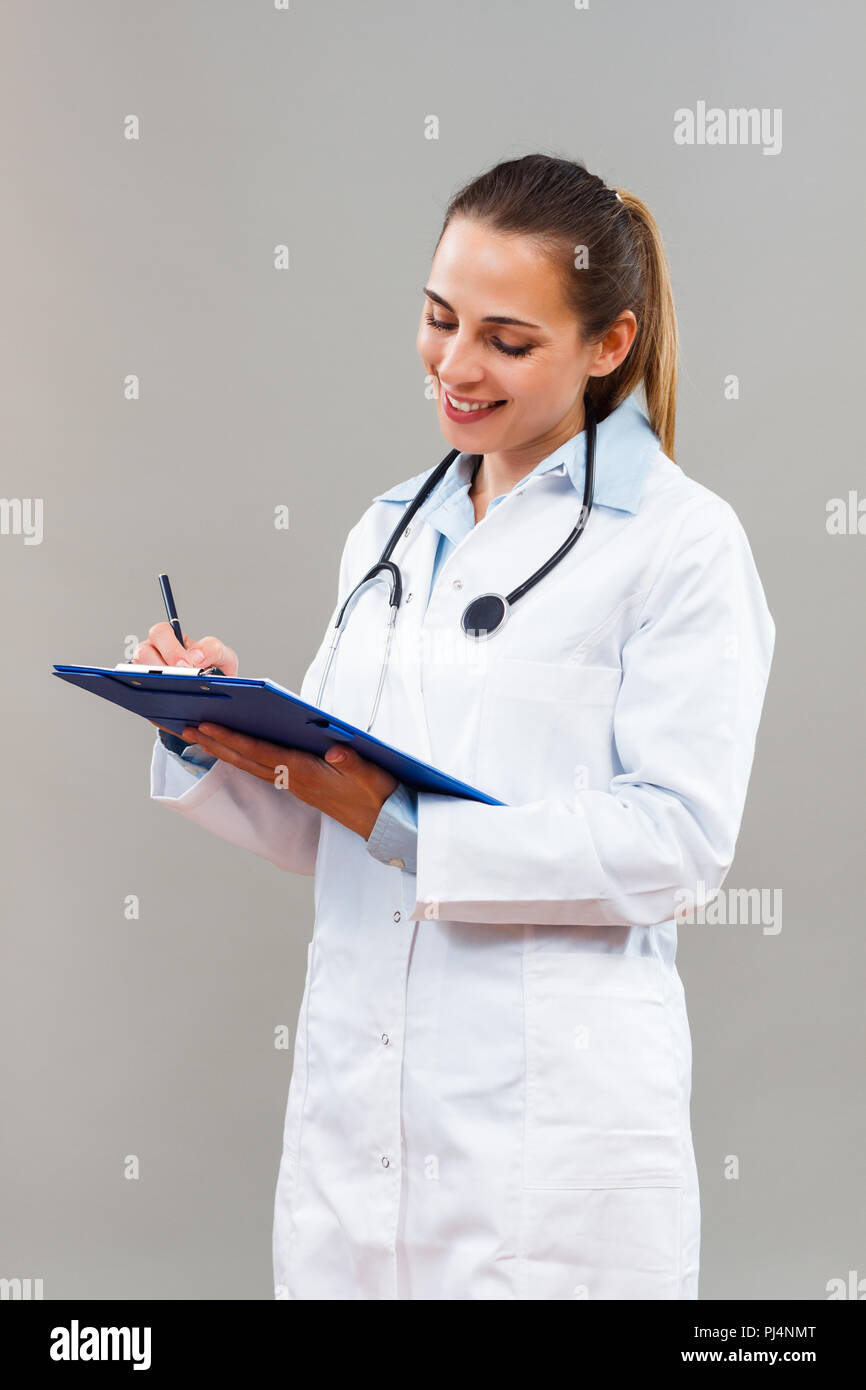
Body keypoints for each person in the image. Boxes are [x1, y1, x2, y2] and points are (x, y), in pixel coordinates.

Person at [139, 153, 775, 1300]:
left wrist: (406, 823)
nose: (454, 366)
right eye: (437, 321)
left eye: (505, 339)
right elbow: (337, 825)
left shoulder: (679, 544)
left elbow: (677, 842)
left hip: (548, 1147)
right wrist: (219, 732)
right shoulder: (390, 529)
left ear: (607, 345)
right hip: (355, 1125)